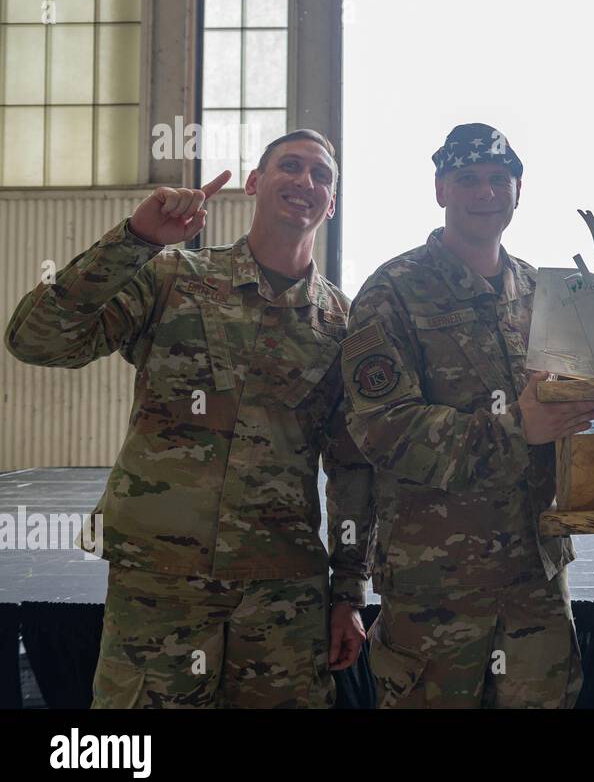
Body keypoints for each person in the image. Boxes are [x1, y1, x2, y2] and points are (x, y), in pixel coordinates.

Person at [6, 130, 375, 707]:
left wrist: (349, 593)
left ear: (331, 204)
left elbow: (353, 470)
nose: (305, 182)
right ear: (254, 183)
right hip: (160, 578)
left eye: (321, 176)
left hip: (281, 592)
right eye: (290, 167)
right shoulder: (172, 278)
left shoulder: (342, 323)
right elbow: (37, 340)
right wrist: (134, 240)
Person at [341, 122, 594, 708]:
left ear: (518, 189)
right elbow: (382, 428)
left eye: (497, 180)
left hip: (535, 584)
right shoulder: (392, 292)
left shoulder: (546, 293)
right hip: (436, 591)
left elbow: (577, 416)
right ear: (440, 189)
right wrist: (518, 428)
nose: (485, 193)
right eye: (467, 181)